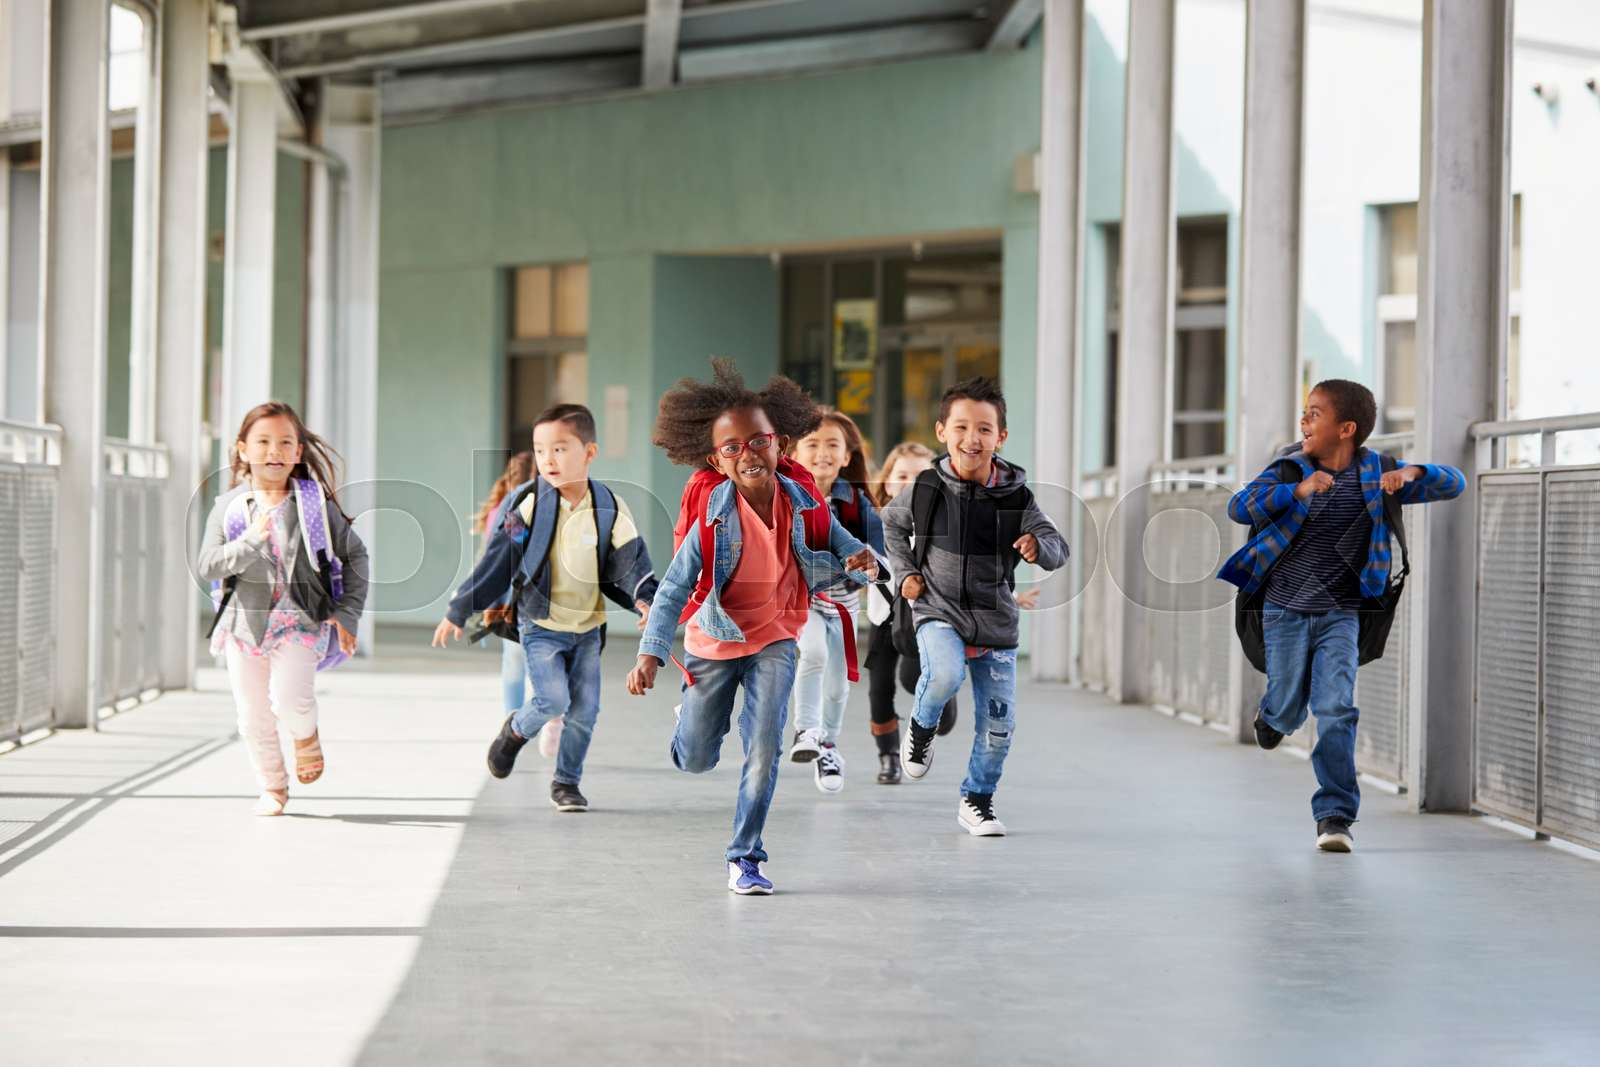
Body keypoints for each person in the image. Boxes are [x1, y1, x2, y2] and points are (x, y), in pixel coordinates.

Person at [627, 359, 878, 895]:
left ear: (780, 444)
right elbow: (672, 589)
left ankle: (745, 857)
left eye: (758, 441)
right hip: (715, 641)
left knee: (765, 747)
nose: (748, 454)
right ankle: (692, 721)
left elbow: (840, 540)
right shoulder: (712, 519)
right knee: (695, 758)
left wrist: (860, 557)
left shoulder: (804, 502)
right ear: (717, 459)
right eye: (732, 447)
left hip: (776, 640)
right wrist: (650, 653)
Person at [1218, 379, 1464, 852]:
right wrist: (1298, 491)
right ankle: (1273, 715)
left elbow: (1455, 483)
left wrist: (1412, 472)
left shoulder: (1377, 475)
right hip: (1284, 610)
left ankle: (1334, 817)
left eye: (1315, 413)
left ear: (1346, 428)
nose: (1304, 421)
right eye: (1305, 412)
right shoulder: (1289, 468)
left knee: (1335, 708)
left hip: (1341, 615)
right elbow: (1238, 506)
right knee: (1289, 708)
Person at [433, 404, 657, 813]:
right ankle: (515, 732)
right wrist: (459, 607)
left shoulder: (610, 506)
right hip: (540, 623)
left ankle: (566, 782)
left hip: (588, 628)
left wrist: (646, 601)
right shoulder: (528, 503)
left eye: (560, 449)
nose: (547, 460)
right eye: (540, 451)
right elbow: (498, 559)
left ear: (589, 452)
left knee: (585, 711)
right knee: (552, 700)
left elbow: (631, 562)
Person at [882, 376, 1068, 837]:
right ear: (942, 431)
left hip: (995, 620)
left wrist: (1036, 546)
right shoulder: (926, 488)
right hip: (936, 609)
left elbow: (1058, 547)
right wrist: (906, 574)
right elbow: (890, 524)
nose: (972, 438)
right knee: (943, 674)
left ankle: (977, 800)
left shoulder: (1016, 496)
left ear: (1000, 437)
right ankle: (922, 727)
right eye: (961, 427)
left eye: (984, 429)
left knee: (999, 727)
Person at [198, 402, 368, 817]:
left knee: (290, 700)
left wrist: (347, 614)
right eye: (263, 442)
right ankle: (273, 785)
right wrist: (249, 544)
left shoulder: (314, 507)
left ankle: (304, 734)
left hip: (300, 621)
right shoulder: (230, 508)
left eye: (285, 442)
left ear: (297, 453)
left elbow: (356, 557)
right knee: (252, 715)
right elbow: (208, 565)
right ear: (242, 450)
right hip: (243, 625)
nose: (274, 450)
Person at [784, 407, 886, 794]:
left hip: (843, 605)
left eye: (833, 445)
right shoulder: (787, 497)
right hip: (801, 600)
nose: (822, 452)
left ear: (847, 456)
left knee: (839, 686)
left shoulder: (856, 501)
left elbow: (878, 553)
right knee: (812, 652)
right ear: (793, 453)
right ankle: (806, 730)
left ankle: (828, 744)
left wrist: (873, 570)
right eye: (812, 444)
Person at [862, 442, 959, 785]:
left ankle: (939, 707)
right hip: (884, 618)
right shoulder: (873, 523)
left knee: (913, 678)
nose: (909, 483)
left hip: (925, 619)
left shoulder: (942, 523)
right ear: (887, 481)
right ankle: (888, 757)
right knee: (879, 688)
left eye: (920, 477)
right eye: (902, 475)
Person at [474, 451, 569, 757]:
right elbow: (502, 554)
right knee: (521, 658)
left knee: (524, 660)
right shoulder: (511, 509)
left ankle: (536, 718)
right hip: (516, 598)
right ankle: (519, 722)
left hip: (543, 595)